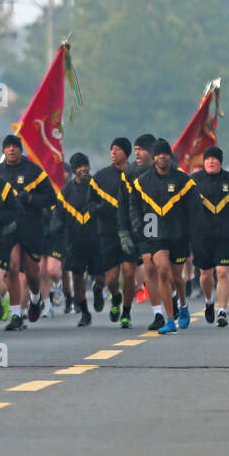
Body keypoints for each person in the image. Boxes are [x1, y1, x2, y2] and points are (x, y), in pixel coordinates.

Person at [128, 138, 196, 334]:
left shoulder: (183, 180)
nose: (162, 157)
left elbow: (194, 209)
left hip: (177, 230)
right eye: (158, 154)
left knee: (176, 277)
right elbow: (134, 205)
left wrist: (194, 233)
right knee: (162, 272)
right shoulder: (143, 181)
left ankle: (182, 305)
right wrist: (136, 226)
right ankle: (169, 319)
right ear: (154, 157)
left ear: (169, 156)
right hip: (153, 227)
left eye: (165, 154)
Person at [0, 134, 52, 329]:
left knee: (32, 274)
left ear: (21, 149)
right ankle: (16, 316)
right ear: (3, 150)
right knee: (13, 268)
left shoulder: (34, 171)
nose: (11, 150)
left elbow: (51, 198)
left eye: (15, 146)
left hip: (31, 227)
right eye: (7, 147)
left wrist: (31, 199)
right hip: (9, 229)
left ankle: (35, 299)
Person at [191, 146, 229, 327]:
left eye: (215, 159)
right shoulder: (194, 181)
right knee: (205, 275)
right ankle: (209, 301)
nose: (211, 161)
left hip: (224, 233)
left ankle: (222, 310)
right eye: (208, 158)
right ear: (204, 161)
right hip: (202, 235)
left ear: (220, 162)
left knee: (223, 272)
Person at [87, 137, 137, 327]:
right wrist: (99, 209)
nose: (114, 152)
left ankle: (126, 312)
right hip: (107, 232)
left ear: (126, 152)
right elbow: (89, 203)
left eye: (118, 149)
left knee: (129, 273)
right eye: (112, 149)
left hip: (130, 232)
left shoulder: (135, 173)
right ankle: (116, 297)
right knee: (111, 279)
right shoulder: (100, 177)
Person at [59, 152, 99, 326]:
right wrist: (56, 228)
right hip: (74, 241)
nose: (83, 169)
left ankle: (98, 289)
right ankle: (84, 312)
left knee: (100, 275)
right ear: (74, 170)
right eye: (79, 167)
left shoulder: (97, 186)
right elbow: (58, 214)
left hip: (97, 239)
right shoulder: (67, 191)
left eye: (85, 165)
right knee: (76, 277)